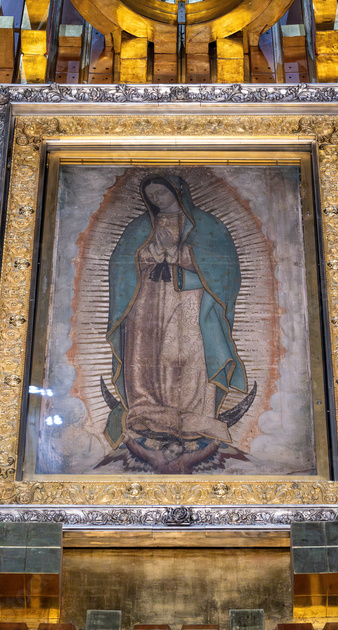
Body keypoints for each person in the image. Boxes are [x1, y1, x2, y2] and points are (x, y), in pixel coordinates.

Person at [102, 174, 248, 472]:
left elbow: (224, 268)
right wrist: (150, 253)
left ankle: (196, 411)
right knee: (148, 353)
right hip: (147, 300)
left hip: (190, 298)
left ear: (177, 191)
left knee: (188, 352)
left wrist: (182, 253)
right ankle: (146, 408)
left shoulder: (206, 225)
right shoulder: (140, 227)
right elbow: (122, 263)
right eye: (152, 195)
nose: (156, 199)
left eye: (161, 193)